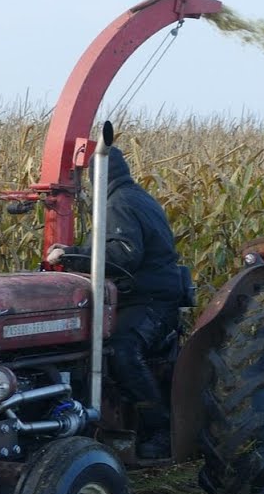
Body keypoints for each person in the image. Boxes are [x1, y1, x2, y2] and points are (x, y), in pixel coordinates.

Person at [46, 146, 185, 458]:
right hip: (139, 294)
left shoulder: (120, 203)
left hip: (150, 298)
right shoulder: (132, 196)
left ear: (97, 176)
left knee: (121, 350)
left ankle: (160, 429)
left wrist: (70, 255)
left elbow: (123, 256)